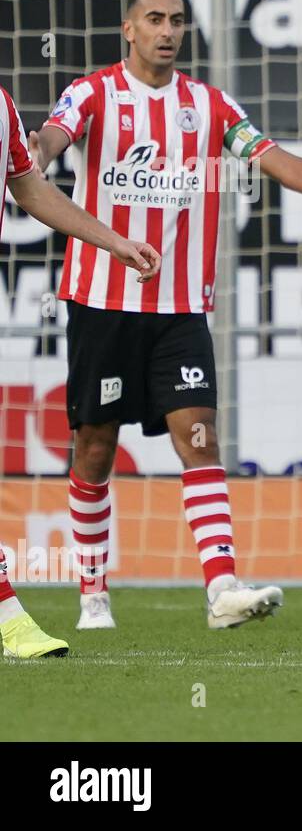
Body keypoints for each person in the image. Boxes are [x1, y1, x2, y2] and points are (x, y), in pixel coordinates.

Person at [27, 0, 302, 631]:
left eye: (176, 20)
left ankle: (222, 587)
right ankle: (92, 594)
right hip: (101, 302)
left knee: (199, 438)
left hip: (179, 308)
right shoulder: (93, 94)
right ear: (129, 28)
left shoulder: (211, 105)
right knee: (94, 448)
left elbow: (274, 159)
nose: (167, 31)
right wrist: (37, 150)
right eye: (154, 19)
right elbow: (54, 138)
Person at [1, 81, 159, 657]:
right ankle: (12, 620)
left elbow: (30, 189)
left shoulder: (1, 106)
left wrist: (112, 241)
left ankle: (12, 621)